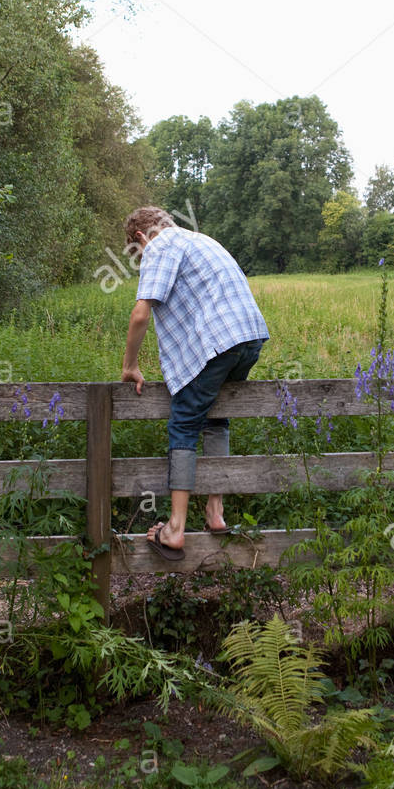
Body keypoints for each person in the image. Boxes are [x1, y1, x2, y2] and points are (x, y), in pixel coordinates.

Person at [120, 206, 268, 558]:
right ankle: (215, 513)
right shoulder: (203, 241)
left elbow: (141, 313)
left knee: (184, 423)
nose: (142, 260)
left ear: (141, 238)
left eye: (137, 255)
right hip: (249, 337)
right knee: (216, 417)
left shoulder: (160, 246)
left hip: (219, 342)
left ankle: (174, 529)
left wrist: (130, 364)